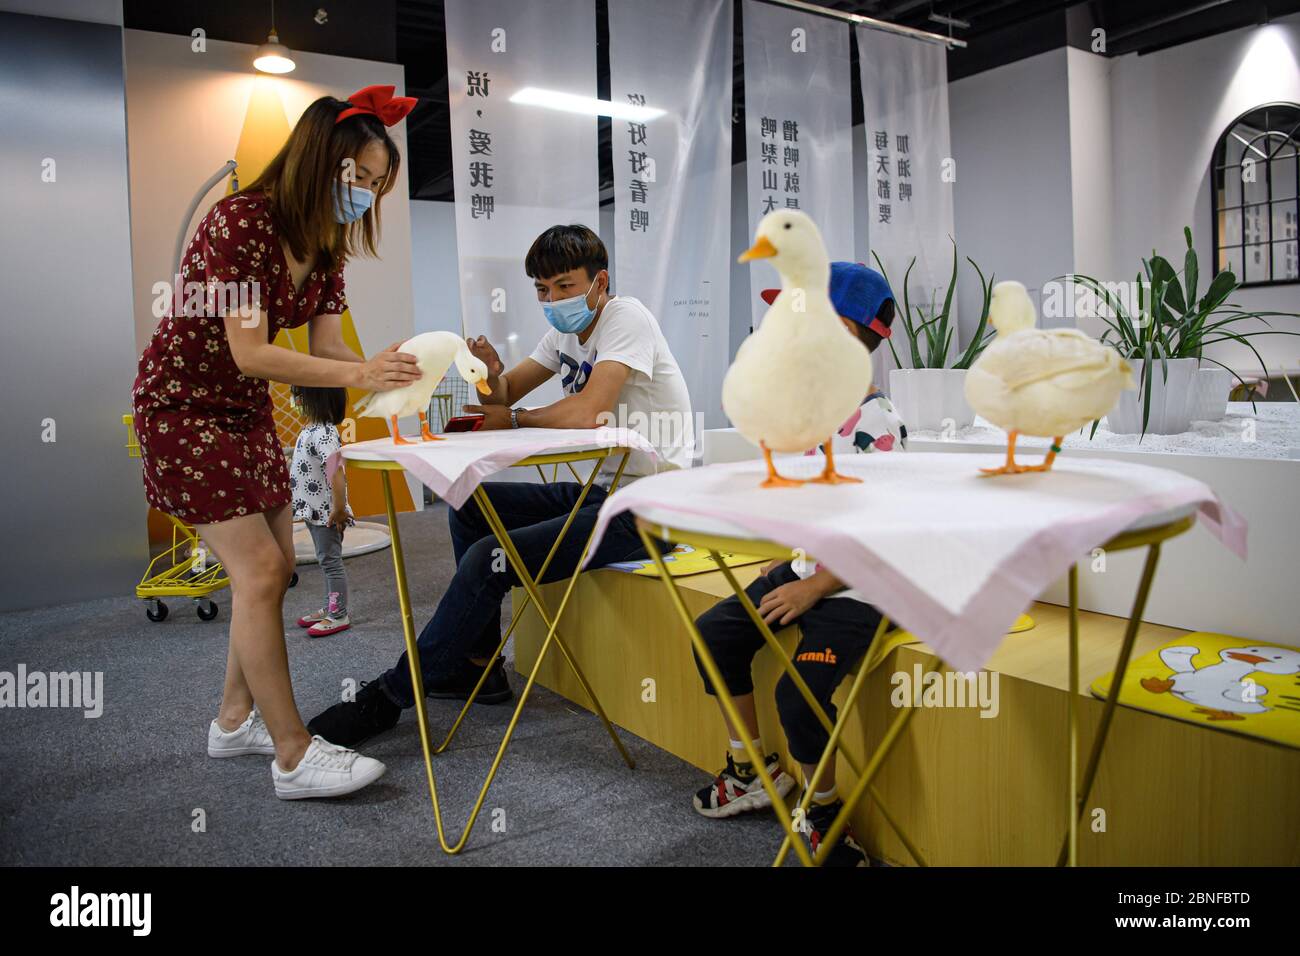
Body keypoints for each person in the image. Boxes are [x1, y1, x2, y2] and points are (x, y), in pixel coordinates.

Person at [130, 85, 423, 800]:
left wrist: (393, 380)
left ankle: (234, 721)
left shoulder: (324, 250)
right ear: (319, 160)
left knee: (279, 561)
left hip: (243, 413)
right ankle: (292, 754)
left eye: (377, 185)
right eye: (358, 176)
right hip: (182, 410)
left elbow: (328, 351)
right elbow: (251, 351)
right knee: (260, 570)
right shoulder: (239, 224)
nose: (364, 194)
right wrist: (358, 369)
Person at [309, 223, 693, 744]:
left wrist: (511, 417)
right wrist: (491, 376)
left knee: (486, 559)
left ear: (599, 281)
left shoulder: (626, 318)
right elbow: (505, 392)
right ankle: (477, 664)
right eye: (542, 289)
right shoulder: (563, 332)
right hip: (600, 494)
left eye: (564, 285)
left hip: (653, 508)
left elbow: (588, 409)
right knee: (468, 503)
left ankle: (391, 696)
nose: (553, 299)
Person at [690, 262, 898, 866]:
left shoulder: (876, 422)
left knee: (799, 691)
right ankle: (752, 770)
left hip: (860, 584)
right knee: (714, 634)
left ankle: (826, 814)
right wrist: (787, 565)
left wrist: (811, 589)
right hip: (811, 571)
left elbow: (881, 534)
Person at [290, 386, 355, 637]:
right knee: (325, 561)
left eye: (299, 396)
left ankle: (338, 614)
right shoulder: (311, 430)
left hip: (328, 513)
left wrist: (339, 509)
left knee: (331, 562)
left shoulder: (325, 433)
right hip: (315, 511)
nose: (295, 401)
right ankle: (331, 606)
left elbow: (335, 472)